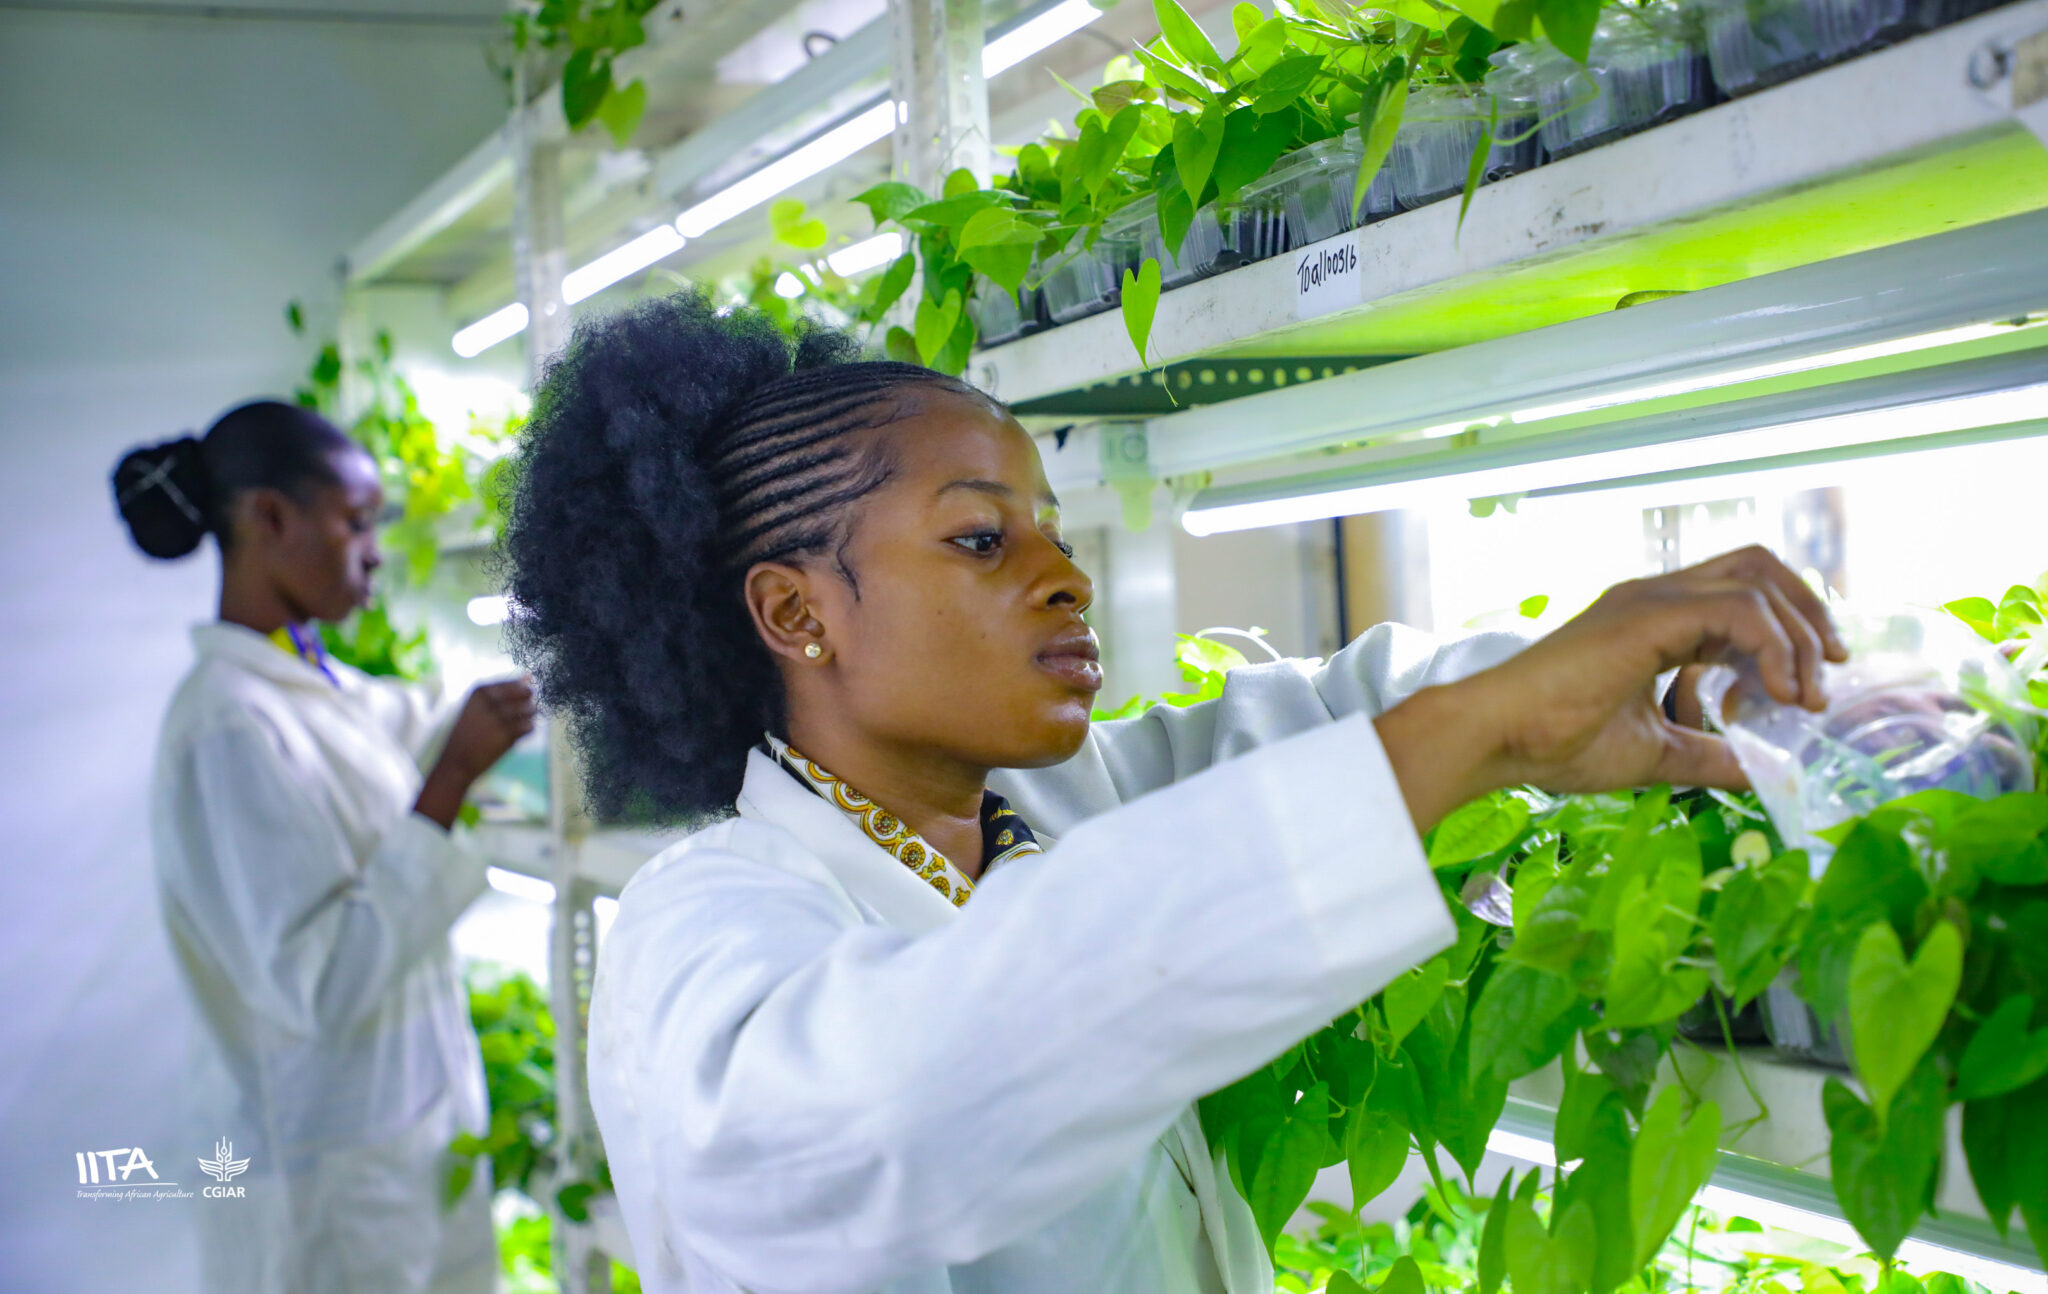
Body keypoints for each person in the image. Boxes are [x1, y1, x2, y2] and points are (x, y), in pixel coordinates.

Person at [501, 289, 1842, 1294]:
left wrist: (1657, 675)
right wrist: (1475, 728)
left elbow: (1331, 717)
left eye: (1056, 533)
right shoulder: (706, 928)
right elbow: (894, 1112)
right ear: (798, 612)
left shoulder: (1057, 803)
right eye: (981, 538)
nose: (1064, 576)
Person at [114, 400, 537, 1294]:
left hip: (401, 1148)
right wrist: (450, 781)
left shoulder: (313, 686)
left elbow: (417, 714)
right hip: (324, 1181)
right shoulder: (228, 727)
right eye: (356, 522)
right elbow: (324, 977)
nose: (375, 549)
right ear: (269, 519)